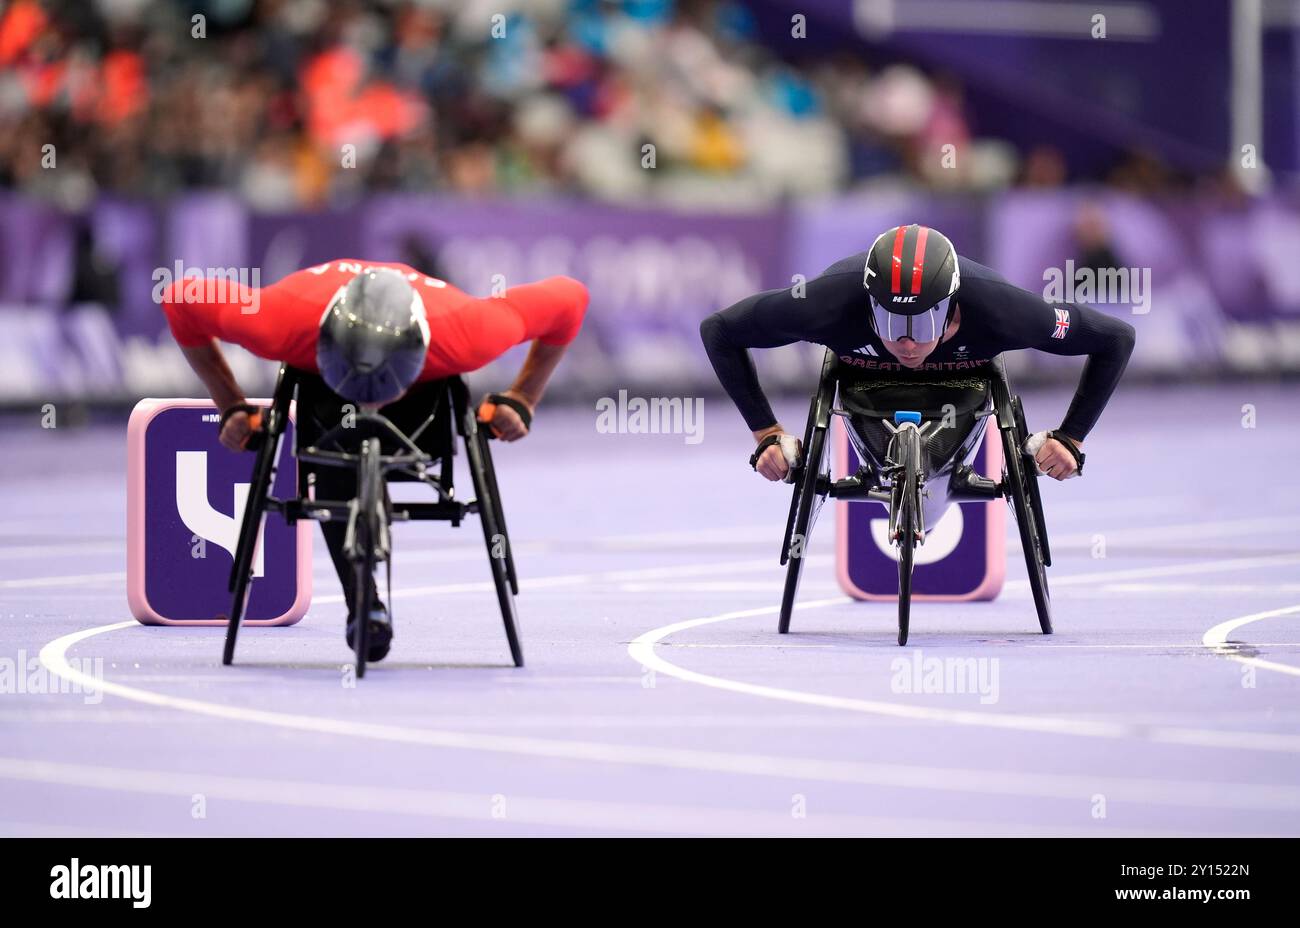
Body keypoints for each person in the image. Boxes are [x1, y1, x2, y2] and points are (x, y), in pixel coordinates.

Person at [161, 260, 589, 661]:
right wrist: (231, 404)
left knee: (367, 424)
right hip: (324, 384)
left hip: (420, 388)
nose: (370, 400)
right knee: (328, 446)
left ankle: (365, 586)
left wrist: (523, 397)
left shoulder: (467, 332)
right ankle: (363, 601)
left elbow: (570, 299)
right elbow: (181, 298)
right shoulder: (279, 321)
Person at [699, 224, 1135, 527]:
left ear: (952, 308)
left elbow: (1115, 337)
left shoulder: (1005, 311)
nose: (908, 343)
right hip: (862, 389)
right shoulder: (823, 303)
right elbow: (718, 330)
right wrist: (767, 433)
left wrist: (1072, 438)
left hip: (963, 391)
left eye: (923, 325)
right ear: (869, 304)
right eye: (892, 323)